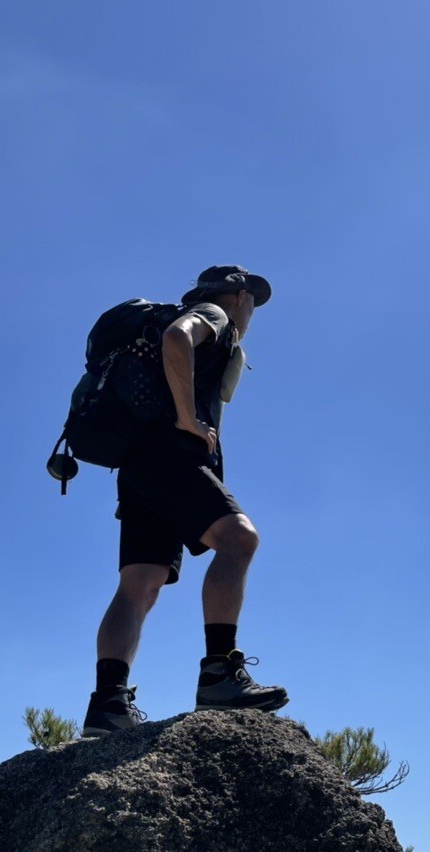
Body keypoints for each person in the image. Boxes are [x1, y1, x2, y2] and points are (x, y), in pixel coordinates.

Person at [82, 265, 288, 738]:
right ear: (238, 295)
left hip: (137, 466)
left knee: (140, 582)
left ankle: (107, 704)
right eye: (252, 299)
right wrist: (190, 420)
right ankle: (219, 673)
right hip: (171, 458)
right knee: (238, 540)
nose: (252, 309)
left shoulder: (177, 317)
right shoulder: (214, 314)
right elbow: (178, 338)